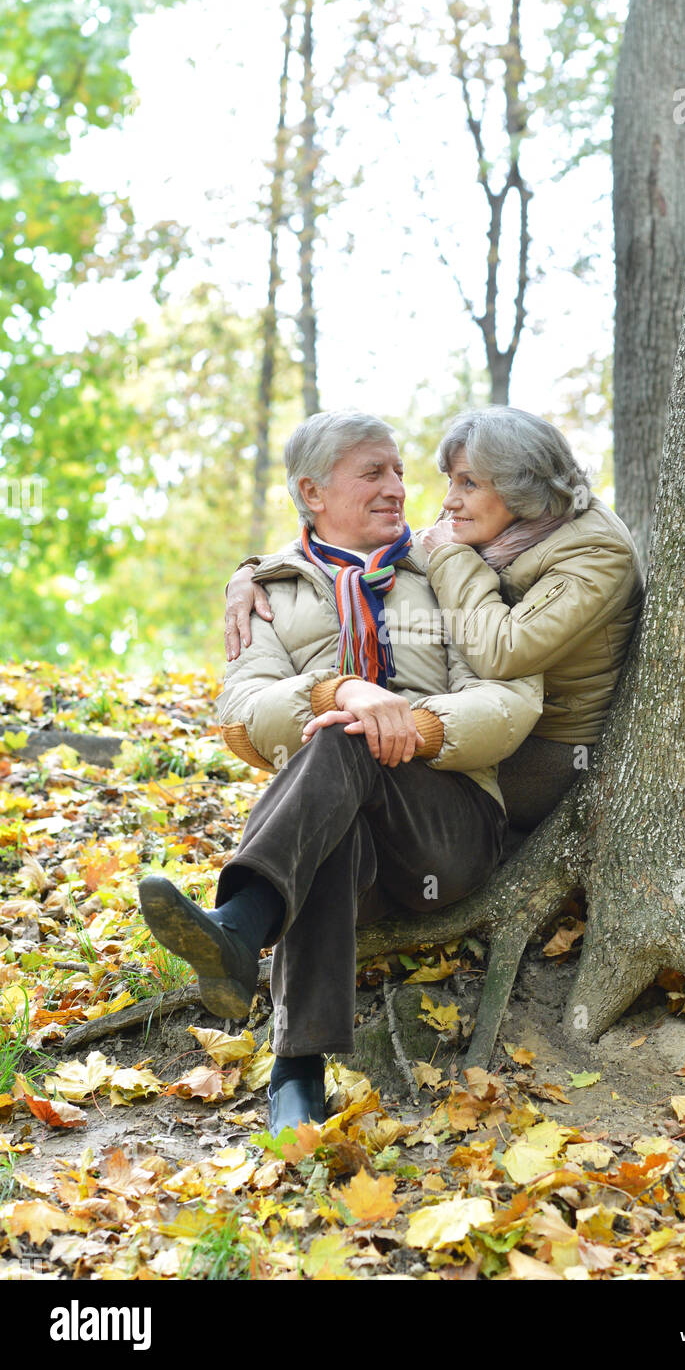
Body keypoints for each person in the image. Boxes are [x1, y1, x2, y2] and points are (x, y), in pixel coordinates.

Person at [139, 410, 543, 1136]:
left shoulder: (449, 567)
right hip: (334, 839)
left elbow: (512, 695)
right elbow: (242, 712)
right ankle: (298, 1081)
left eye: (398, 471)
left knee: (345, 737)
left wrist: (416, 726)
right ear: (313, 492)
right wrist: (339, 691)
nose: (397, 487)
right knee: (336, 761)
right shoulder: (271, 594)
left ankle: (241, 925)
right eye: (372, 473)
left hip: (445, 829)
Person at [226, 406, 643, 832]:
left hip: (549, 750)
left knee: (358, 764)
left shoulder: (596, 553)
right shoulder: (501, 523)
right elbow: (384, 545)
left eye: (468, 482)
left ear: (519, 486)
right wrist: (253, 571)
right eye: (451, 481)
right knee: (353, 760)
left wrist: (401, 726)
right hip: (486, 733)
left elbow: (503, 652)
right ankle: (254, 896)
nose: (448, 500)